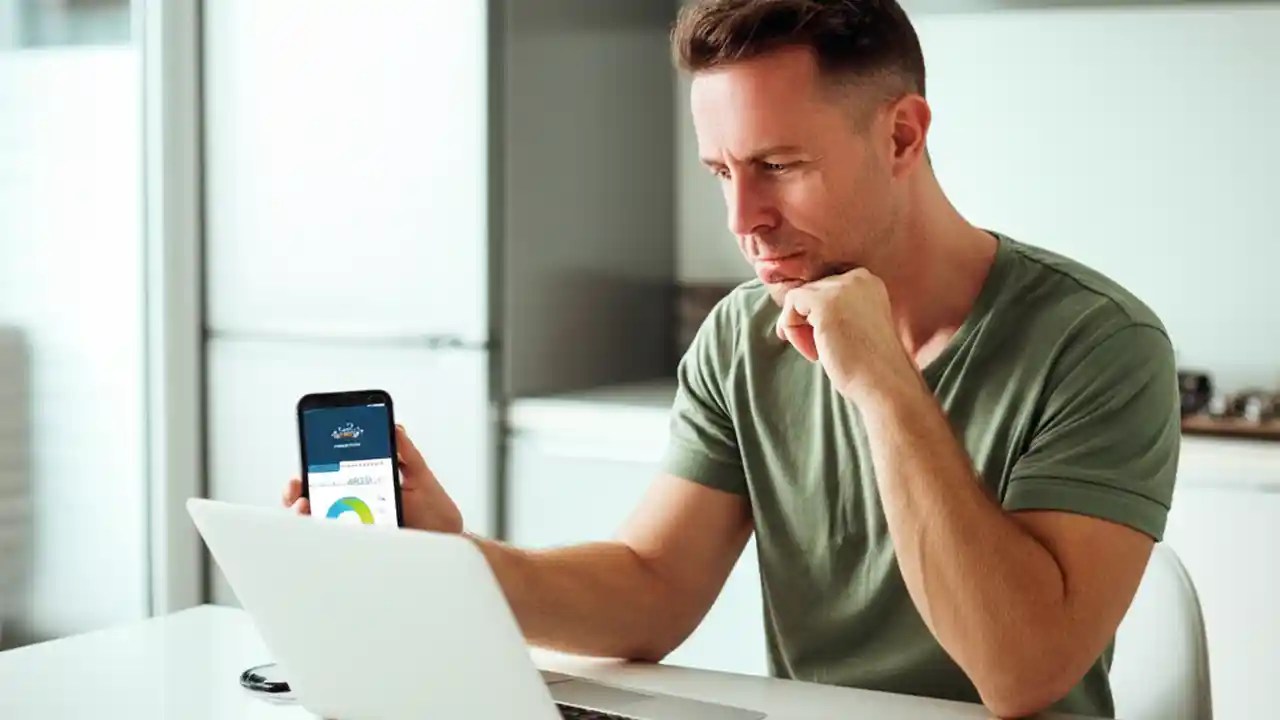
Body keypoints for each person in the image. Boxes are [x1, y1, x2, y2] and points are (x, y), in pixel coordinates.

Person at [283, 1, 1179, 716]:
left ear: (902, 136)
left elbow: (1021, 676)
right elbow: (652, 590)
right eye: (720, 172)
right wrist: (456, 564)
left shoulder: (1099, 345)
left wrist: (880, 383)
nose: (741, 220)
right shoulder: (742, 336)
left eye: (779, 165)